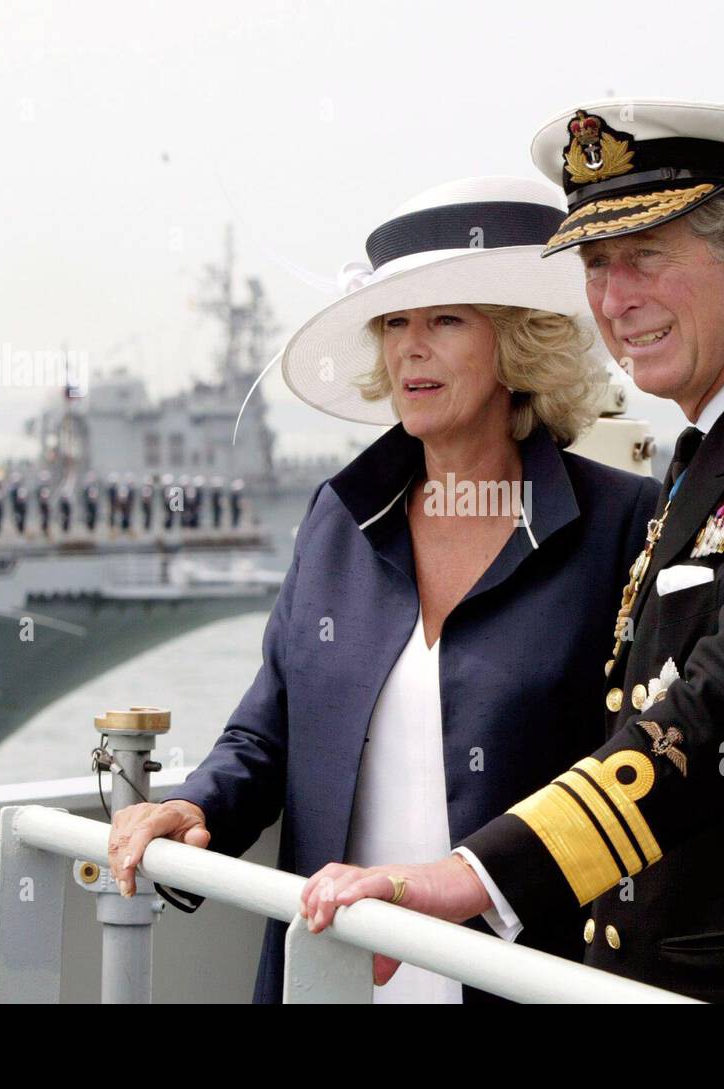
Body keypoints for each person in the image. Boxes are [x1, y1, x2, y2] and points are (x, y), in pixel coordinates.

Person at [301, 100, 724, 1004]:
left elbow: (710, 725)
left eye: (646, 257)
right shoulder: (720, 455)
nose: (614, 300)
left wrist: (460, 879)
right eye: (599, 266)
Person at [108, 176, 660, 1004]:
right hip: (333, 972)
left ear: (519, 344)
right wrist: (197, 808)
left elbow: (642, 772)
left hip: (526, 980)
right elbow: (266, 734)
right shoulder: (340, 519)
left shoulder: (622, 524)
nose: (410, 348)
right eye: (394, 323)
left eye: (444, 320)